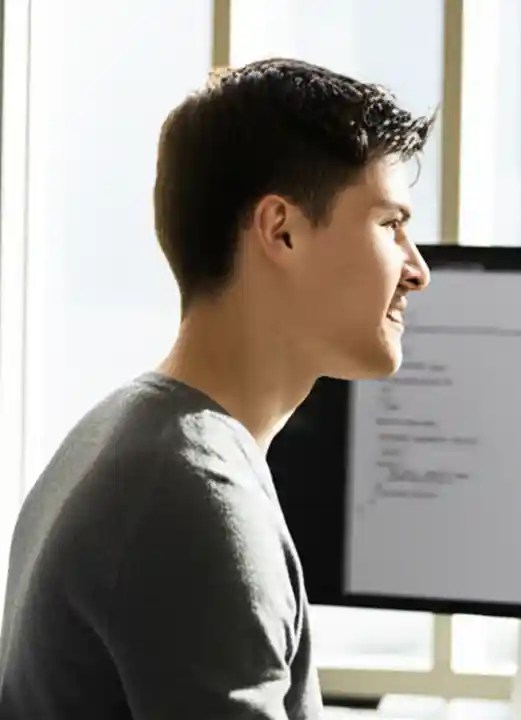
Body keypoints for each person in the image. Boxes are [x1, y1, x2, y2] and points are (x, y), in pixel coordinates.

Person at [0, 57, 434, 719]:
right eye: (389, 224)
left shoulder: (138, 434)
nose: (417, 269)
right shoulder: (190, 492)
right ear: (280, 230)